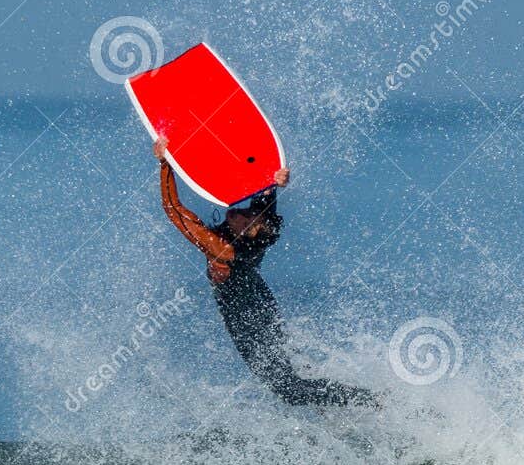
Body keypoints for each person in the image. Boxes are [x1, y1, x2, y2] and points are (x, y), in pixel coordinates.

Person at [153, 137, 376, 408]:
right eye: (247, 212)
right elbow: (265, 203)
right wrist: (275, 180)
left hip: (245, 321)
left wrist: (166, 163)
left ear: (246, 230)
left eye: (246, 217)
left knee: (289, 390)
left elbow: (174, 211)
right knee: (292, 380)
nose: (239, 211)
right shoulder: (257, 234)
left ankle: (366, 400)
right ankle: (358, 401)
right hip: (263, 305)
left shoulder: (222, 249)